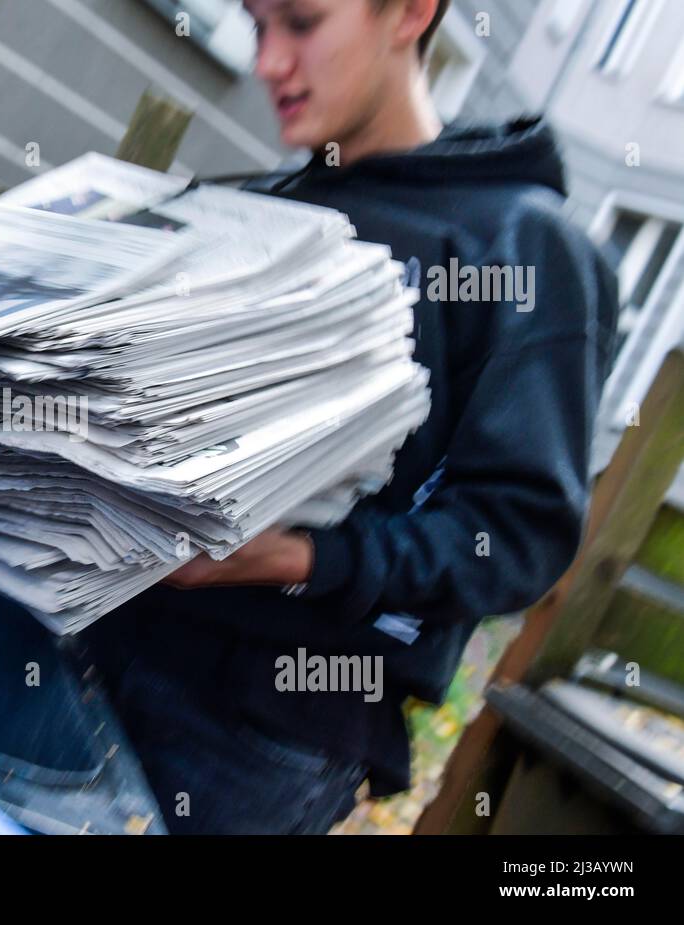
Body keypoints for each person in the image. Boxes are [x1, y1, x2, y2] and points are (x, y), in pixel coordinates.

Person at [77, 0, 620, 834]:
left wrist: (294, 557)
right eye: (258, 27)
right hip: (87, 645)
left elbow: (516, 535)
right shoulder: (252, 209)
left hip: (259, 730)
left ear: (409, 14)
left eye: (301, 23)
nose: (268, 62)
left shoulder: (521, 246)